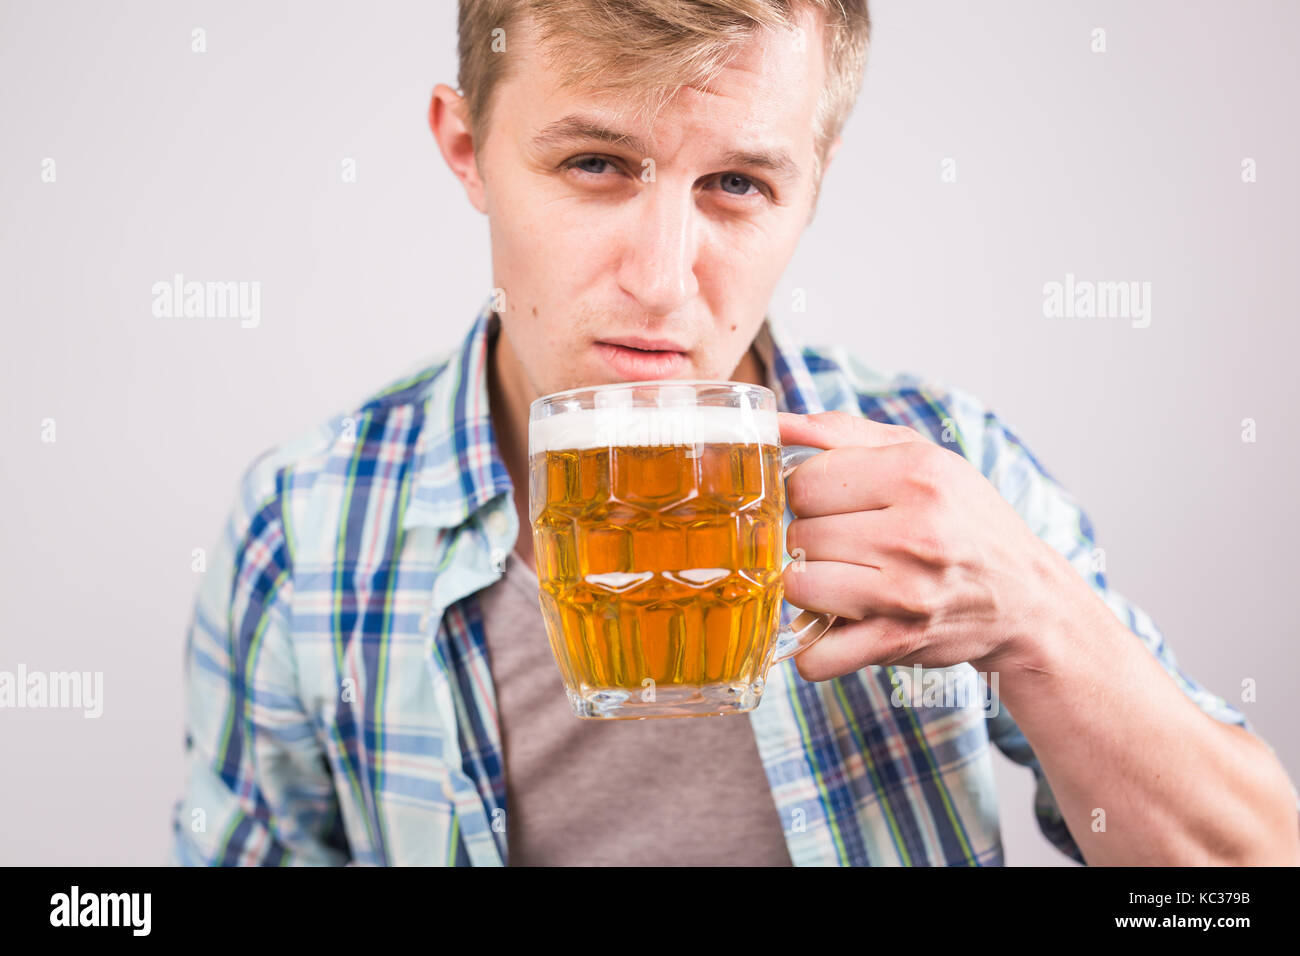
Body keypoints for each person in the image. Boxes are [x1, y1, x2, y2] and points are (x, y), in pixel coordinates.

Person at [171, 0, 1300, 866]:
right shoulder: (307, 525)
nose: (663, 281)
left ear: (812, 187)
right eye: (595, 163)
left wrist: (1038, 621)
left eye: (737, 183)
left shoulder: (948, 464)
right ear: (464, 146)